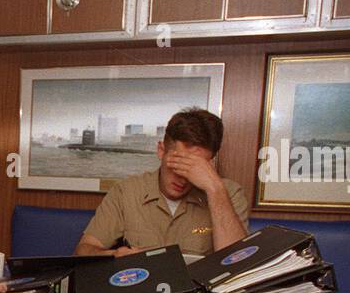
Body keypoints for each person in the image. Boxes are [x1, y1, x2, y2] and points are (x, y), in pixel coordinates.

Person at [74, 108, 249, 258]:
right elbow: (83, 250)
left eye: (194, 168)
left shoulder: (229, 193)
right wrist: (113, 256)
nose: (182, 177)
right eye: (177, 165)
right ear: (161, 151)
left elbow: (237, 266)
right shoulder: (126, 191)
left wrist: (214, 188)